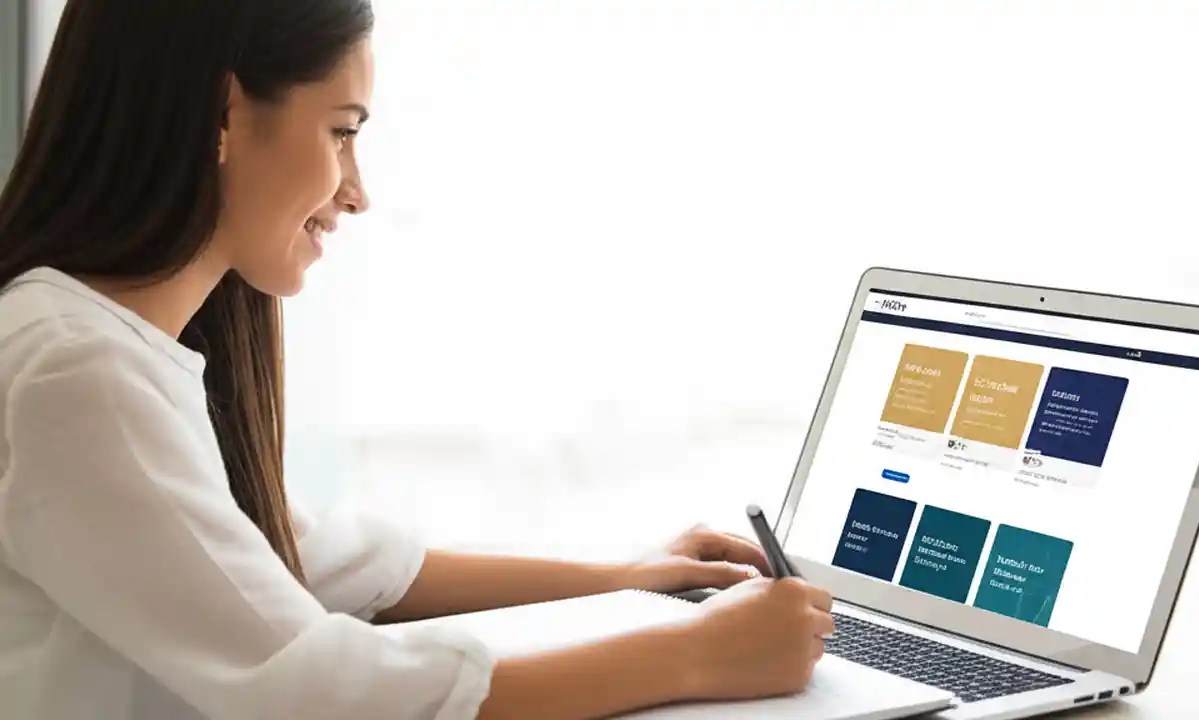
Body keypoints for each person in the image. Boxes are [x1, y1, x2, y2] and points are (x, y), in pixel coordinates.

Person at [0, 2, 835, 718]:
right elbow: (315, 692)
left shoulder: (99, 349)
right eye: (341, 133)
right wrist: (698, 659)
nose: (356, 190)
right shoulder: (76, 373)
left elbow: (332, 562)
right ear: (221, 116)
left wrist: (625, 579)